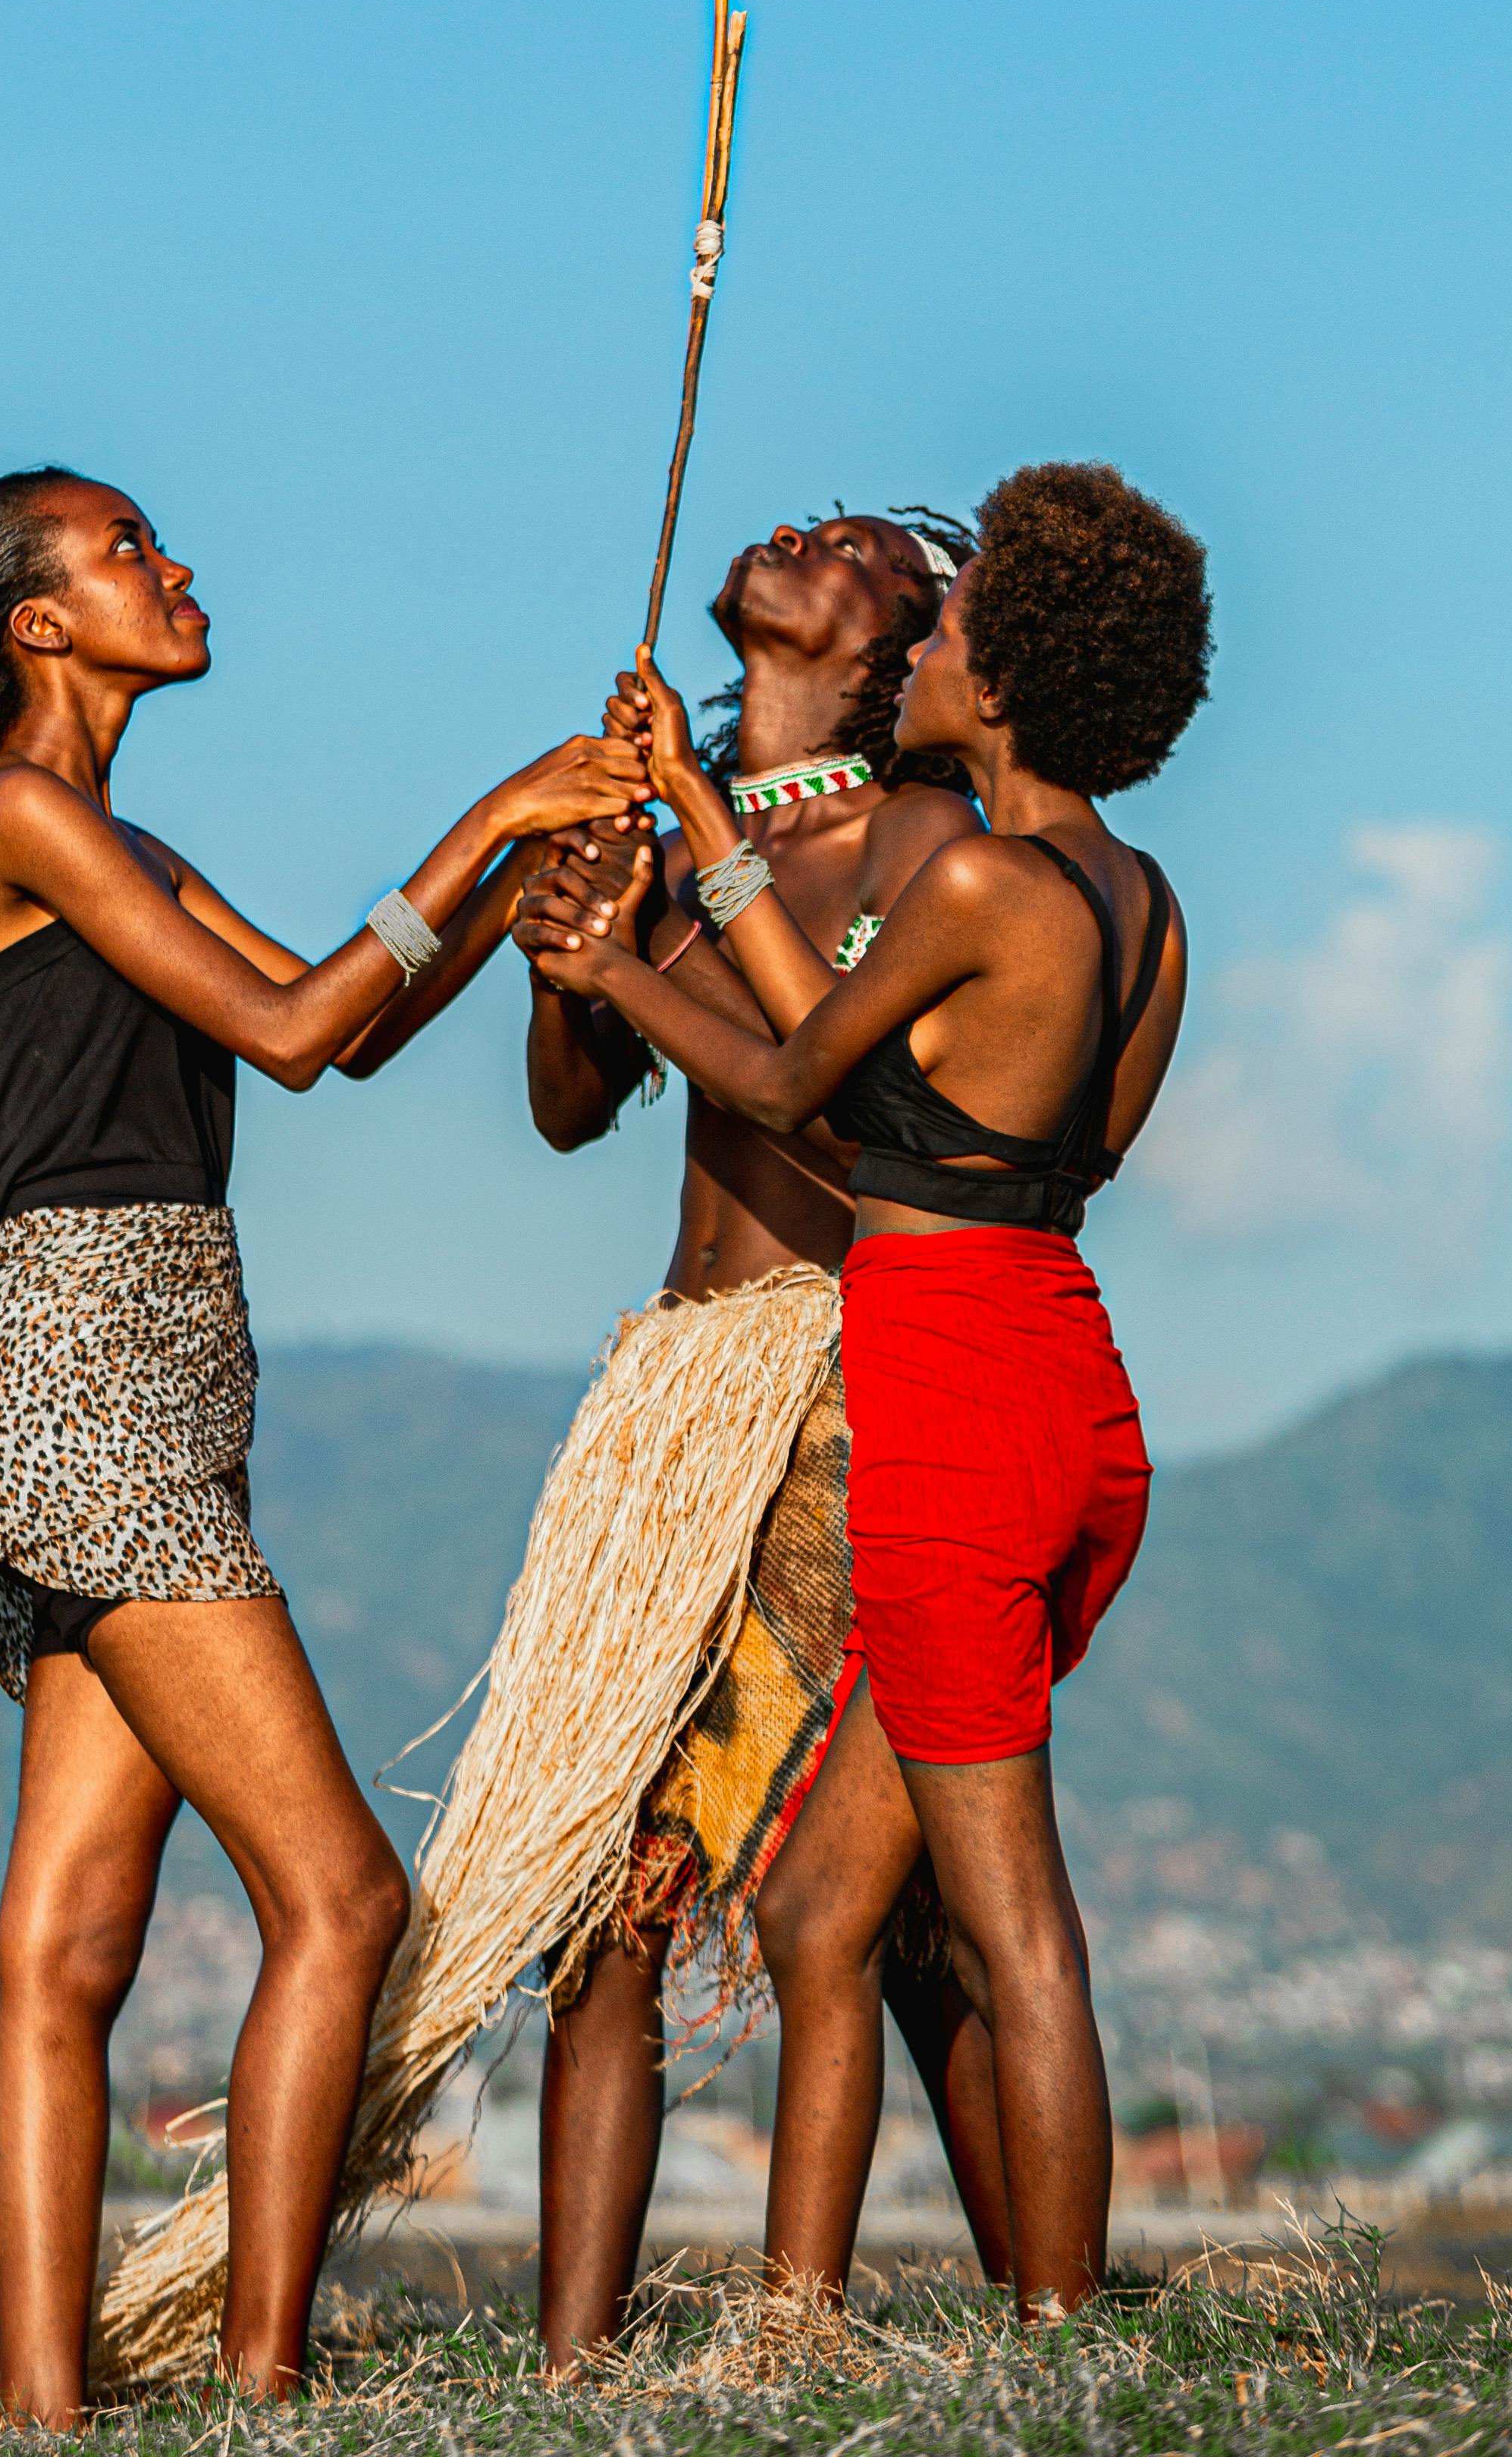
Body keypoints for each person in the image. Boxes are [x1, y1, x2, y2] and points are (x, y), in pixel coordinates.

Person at [0, 464, 639, 2418]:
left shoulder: (105, 835)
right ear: (40, 623)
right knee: (343, 1896)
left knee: (68, 1943)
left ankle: (43, 2412)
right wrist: (499, 808)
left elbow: (351, 1024)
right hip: (87, 1380)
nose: (181, 565)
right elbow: (300, 1030)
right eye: (132, 549)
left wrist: (521, 886)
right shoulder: (22, 817)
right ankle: (262, 2379)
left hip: (135, 1376)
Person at [520, 461, 1210, 2319]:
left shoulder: (957, 861)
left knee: (981, 1921)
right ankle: (809, 2322)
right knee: (836, 1913)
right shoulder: (1130, 901)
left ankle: (1050, 2322)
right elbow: (1030, 1134)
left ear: (978, 669)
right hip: (1052, 1358)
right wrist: (654, 854)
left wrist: (620, 957)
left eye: (945, 607)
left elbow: (792, 1079)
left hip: (924, 1385)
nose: (928, 633)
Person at [519, 514, 1017, 2361]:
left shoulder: (919, 845)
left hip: (844, 1383)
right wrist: (566, 941)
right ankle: (574, 2363)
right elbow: (576, 1109)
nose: (810, 532)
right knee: (607, 1877)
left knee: (886, 1914)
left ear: (903, 641)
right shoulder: (663, 837)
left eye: (870, 544)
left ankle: (1030, 2294)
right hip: (677, 1404)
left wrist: (693, 878)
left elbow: (860, 1115)